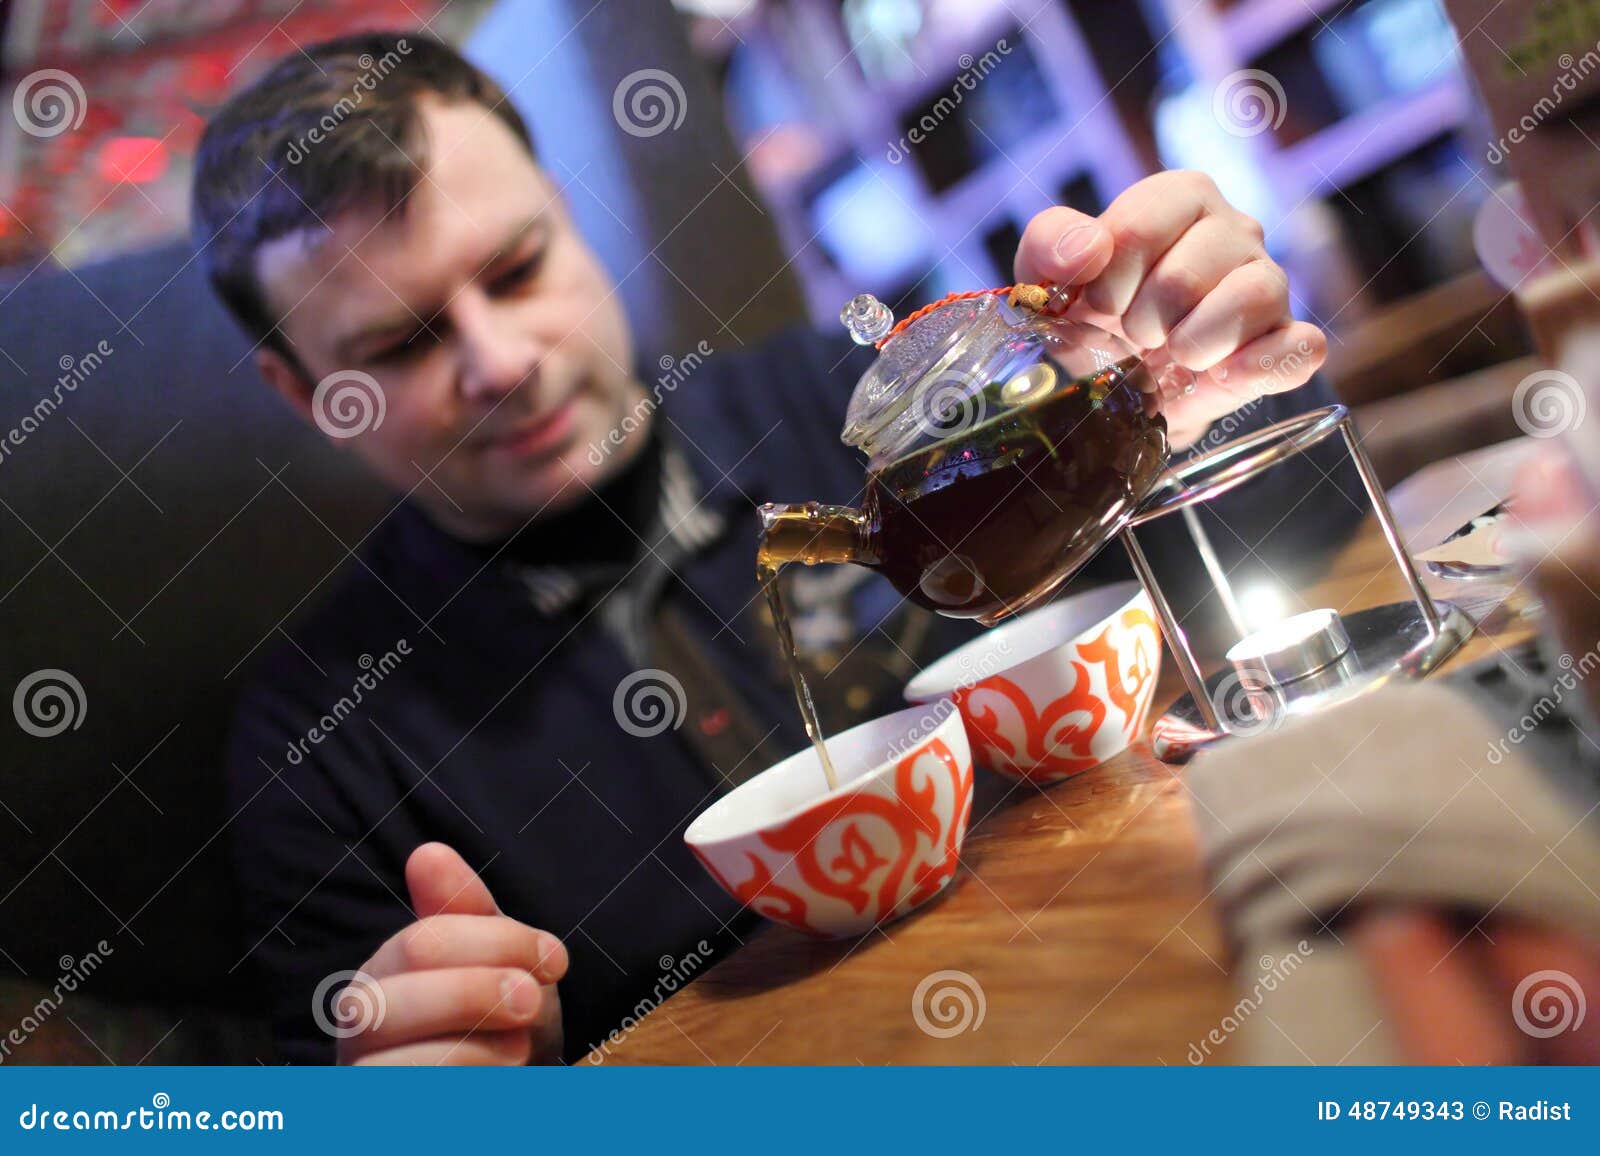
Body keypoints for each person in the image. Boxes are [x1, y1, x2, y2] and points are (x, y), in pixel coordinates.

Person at [197, 31, 1344, 1065]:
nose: (499, 361)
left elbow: (1304, 590)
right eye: (404, 342)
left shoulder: (863, 410)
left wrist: (1194, 413)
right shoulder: (327, 740)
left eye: (515, 269)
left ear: (568, 214)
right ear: (303, 392)